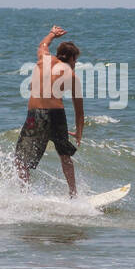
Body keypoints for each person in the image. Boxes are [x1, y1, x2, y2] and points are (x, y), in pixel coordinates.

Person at [15, 25, 84, 196]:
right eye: (76, 60)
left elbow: (43, 45)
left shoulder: (44, 59)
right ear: (71, 58)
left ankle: (25, 194)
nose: (76, 64)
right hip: (56, 115)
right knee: (64, 156)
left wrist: (52, 34)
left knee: (20, 159)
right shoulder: (72, 77)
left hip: (35, 114)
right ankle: (73, 194)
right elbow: (79, 111)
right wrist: (79, 132)